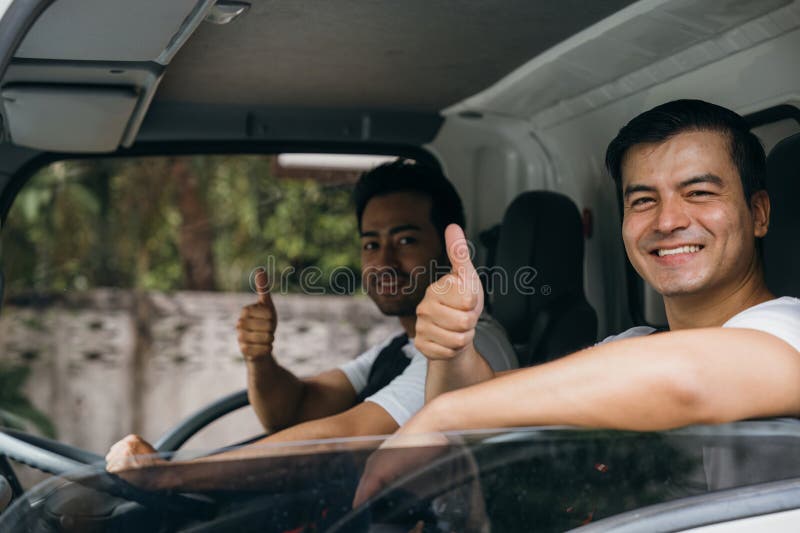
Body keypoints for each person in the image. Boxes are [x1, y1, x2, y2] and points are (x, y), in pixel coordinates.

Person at [353, 99, 800, 505]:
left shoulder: (787, 329)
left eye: (699, 193)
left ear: (758, 213)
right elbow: (484, 426)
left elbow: (690, 378)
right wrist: (450, 346)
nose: (667, 220)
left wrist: (444, 416)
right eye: (643, 200)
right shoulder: (635, 346)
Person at [105, 160, 517, 475]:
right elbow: (294, 410)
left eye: (406, 240)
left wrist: (175, 475)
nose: (384, 261)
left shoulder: (469, 343)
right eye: (371, 244)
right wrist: (259, 358)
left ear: (450, 250)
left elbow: (349, 438)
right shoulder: (398, 348)